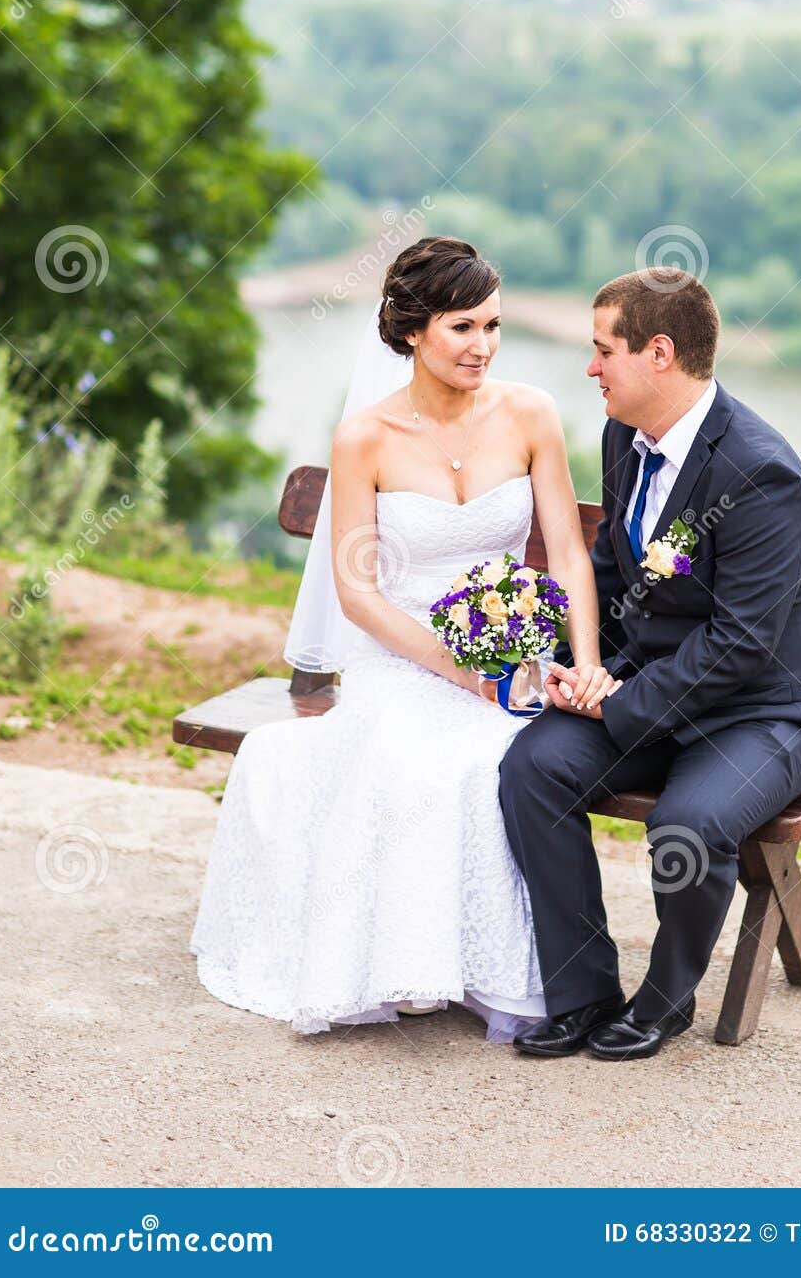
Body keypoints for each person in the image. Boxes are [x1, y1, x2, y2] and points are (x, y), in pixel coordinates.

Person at [189, 236, 619, 1040]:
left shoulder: (530, 414)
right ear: (414, 330)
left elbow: (566, 552)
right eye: (462, 327)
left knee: (503, 763)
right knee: (419, 768)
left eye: (492, 326)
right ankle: (410, 963)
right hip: (399, 655)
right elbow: (355, 589)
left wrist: (581, 663)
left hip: (512, 661)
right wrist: (462, 671)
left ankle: (499, 967)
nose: (482, 346)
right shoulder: (366, 438)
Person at [499, 268, 801, 1060]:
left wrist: (614, 705)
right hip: (648, 690)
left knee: (686, 824)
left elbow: (740, 645)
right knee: (532, 770)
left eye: (602, 351)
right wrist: (569, 667)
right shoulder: (624, 434)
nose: (591, 369)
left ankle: (663, 1002)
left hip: (766, 712)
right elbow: (617, 575)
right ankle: (580, 994)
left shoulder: (760, 474)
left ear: (658, 353)